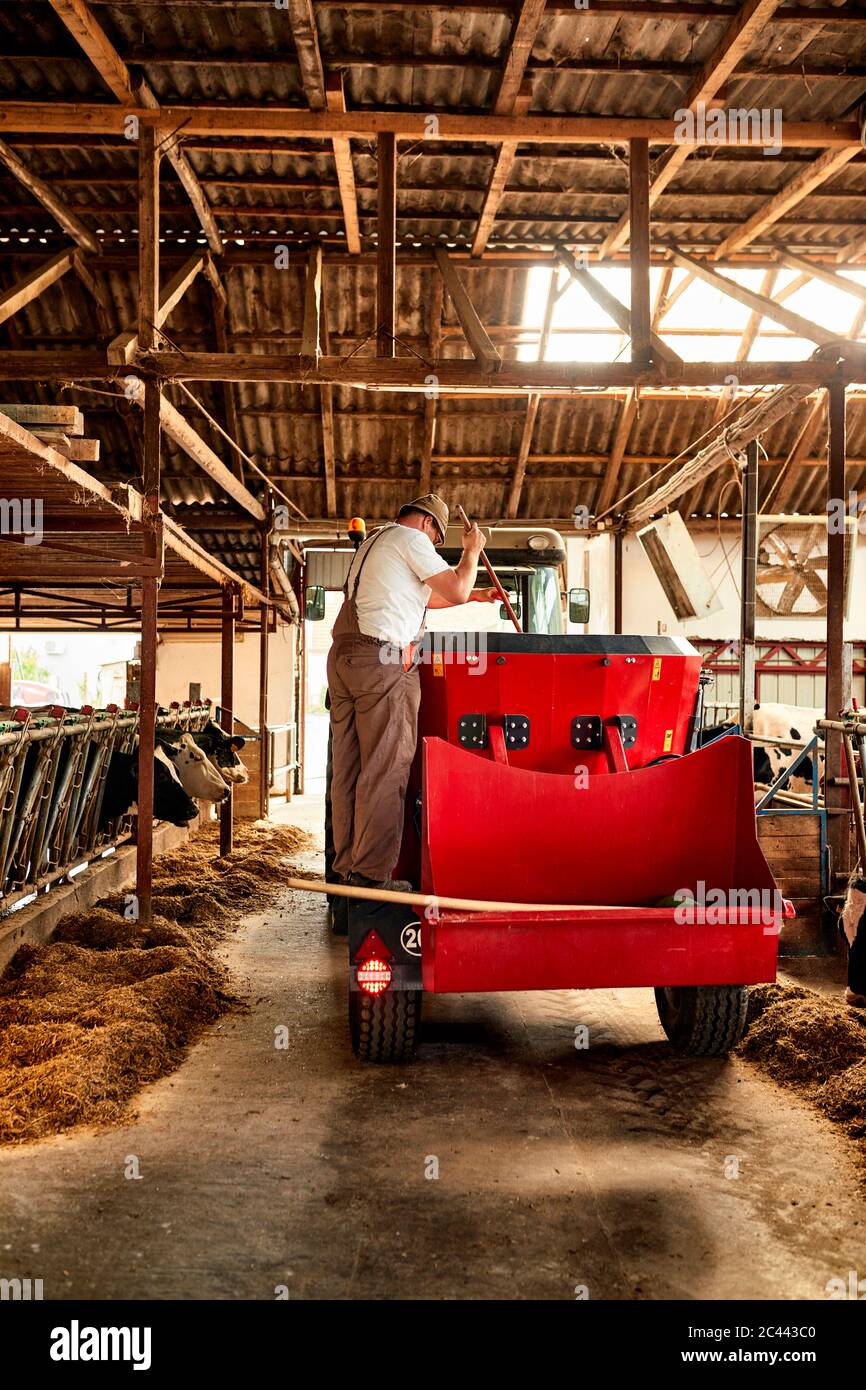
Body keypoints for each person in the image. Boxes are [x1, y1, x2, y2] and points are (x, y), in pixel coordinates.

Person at [327, 494, 491, 892]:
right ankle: (372, 878)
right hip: (382, 661)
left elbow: (422, 596)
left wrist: (477, 594)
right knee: (385, 768)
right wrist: (471, 553)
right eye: (437, 540)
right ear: (429, 526)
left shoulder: (375, 542)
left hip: (345, 658)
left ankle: (346, 868)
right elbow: (452, 588)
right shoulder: (413, 540)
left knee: (349, 768)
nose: (433, 547)